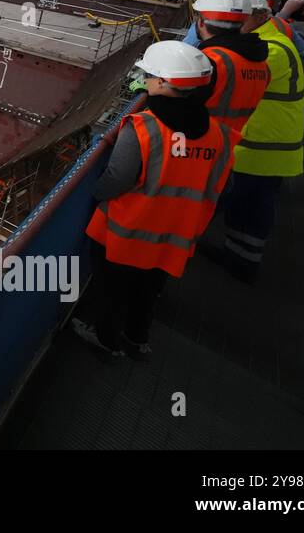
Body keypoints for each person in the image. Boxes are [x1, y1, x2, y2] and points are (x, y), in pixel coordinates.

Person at [74, 41, 236, 362]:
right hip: (175, 235)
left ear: (163, 83)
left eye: (149, 75)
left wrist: (93, 194)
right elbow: (223, 185)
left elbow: (117, 179)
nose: (144, 79)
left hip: (128, 234)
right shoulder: (220, 134)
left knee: (111, 291)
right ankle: (137, 340)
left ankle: (107, 342)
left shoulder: (144, 127)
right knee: (147, 291)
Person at [204, 0, 304, 283]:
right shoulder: (274, 42)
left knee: (233, 202)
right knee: (251, 207)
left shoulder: (268, 50)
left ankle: (235, 259)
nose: (235, 25)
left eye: (239, 19)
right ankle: (240, 258)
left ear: (260, 16)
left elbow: (222, 82)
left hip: (259, 146)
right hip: (270, 146)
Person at [192, 0, 269, 133]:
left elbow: (179, 108)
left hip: (194, 145)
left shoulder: (208, 61)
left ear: (201, 22)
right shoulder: (261, 64)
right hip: (227, 143)